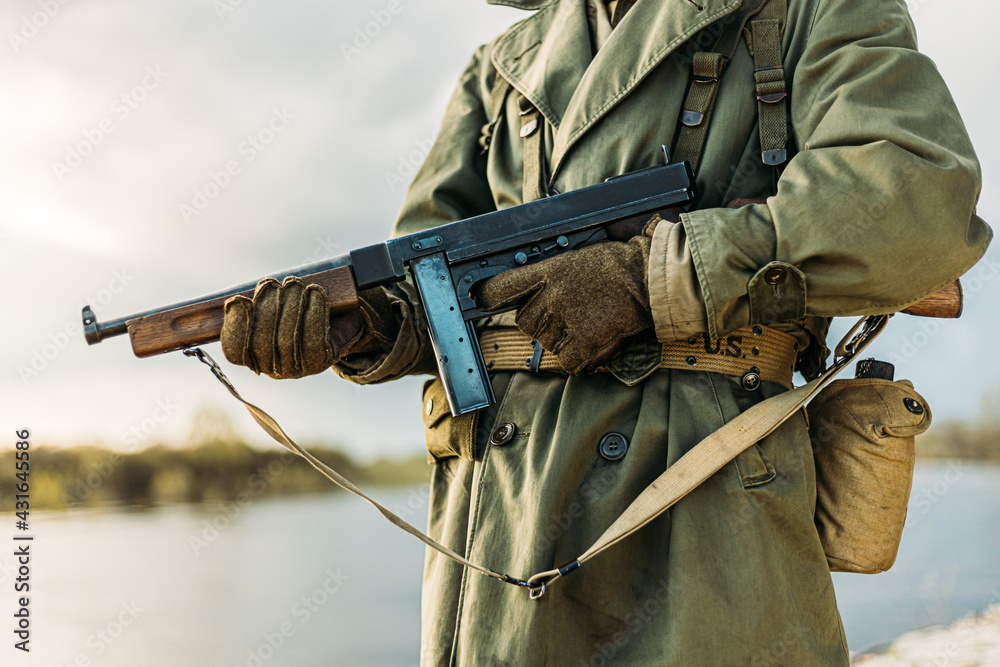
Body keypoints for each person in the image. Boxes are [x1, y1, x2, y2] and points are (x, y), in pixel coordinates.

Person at [220, 0, 992, 664]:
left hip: (700, 506)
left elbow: (917, 191)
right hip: (498, 518)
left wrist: (653, 276)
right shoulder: (500, 68)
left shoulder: (806, 11)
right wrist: (358, 327)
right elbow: (430, 284)